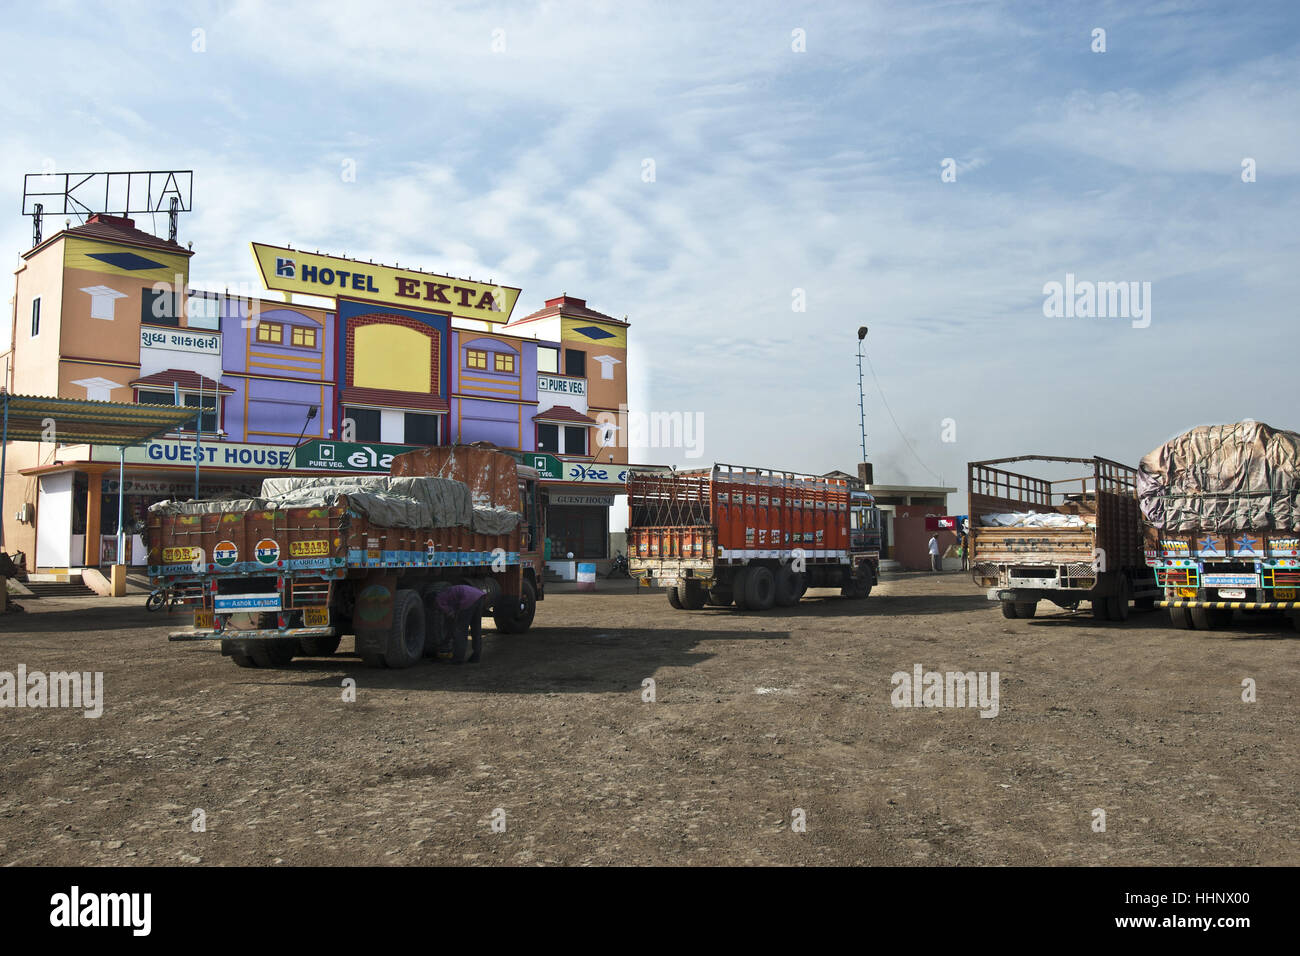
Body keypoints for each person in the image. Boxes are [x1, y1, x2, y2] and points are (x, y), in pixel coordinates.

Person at [435, 583, 487, 663]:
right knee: (476, 628)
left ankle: (458, 658)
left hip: (468, 599)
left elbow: (450, 614)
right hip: (479, 596)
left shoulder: (438, 599)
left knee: (461, 631)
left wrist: (450, 633)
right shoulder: (447, 593)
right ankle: (476, 656)